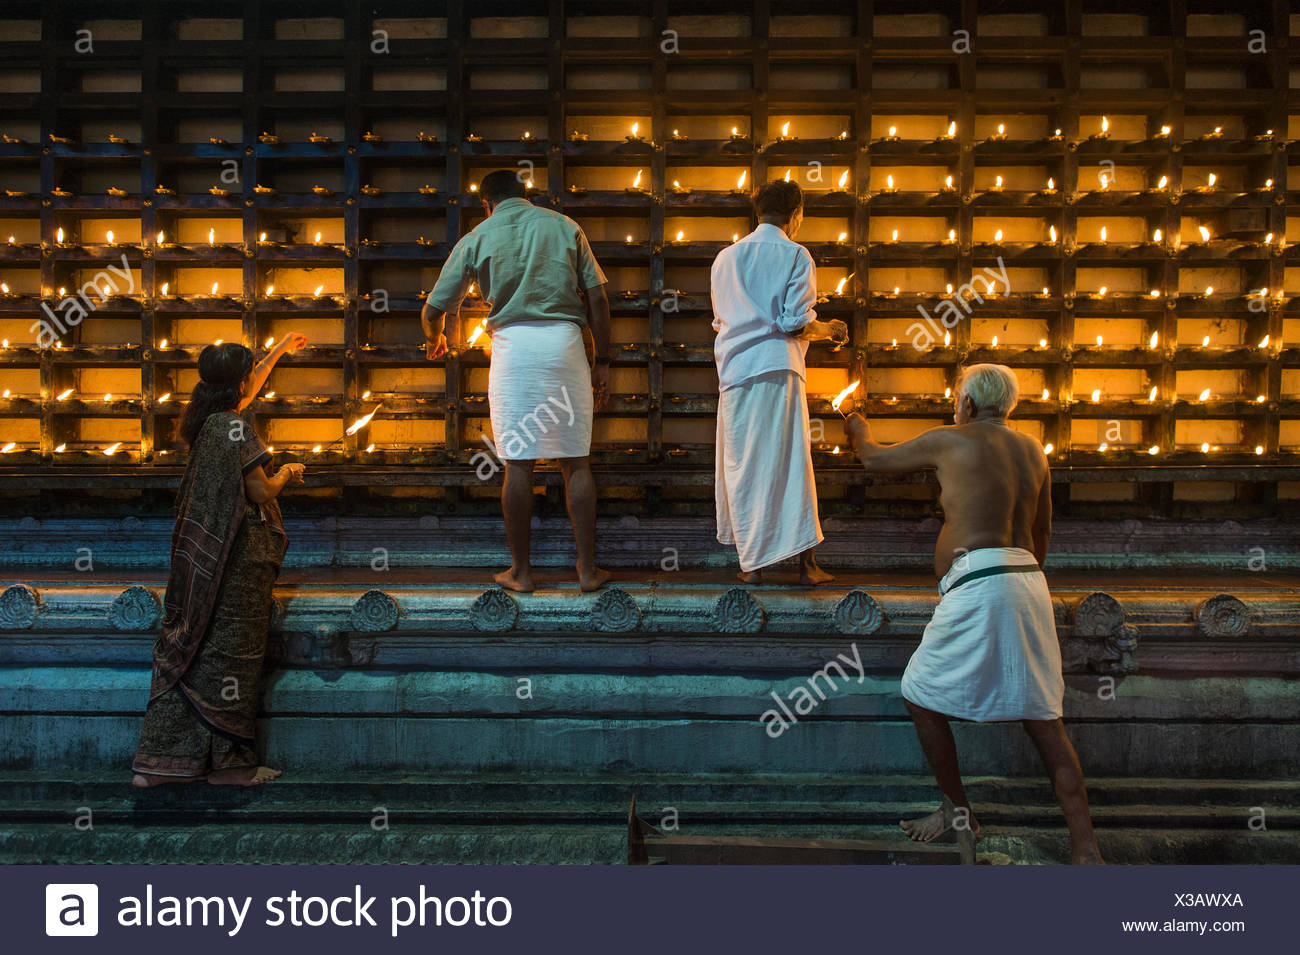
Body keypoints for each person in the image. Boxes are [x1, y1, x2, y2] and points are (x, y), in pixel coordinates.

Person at [845, 363, 1104, 864]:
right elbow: (1044, 530)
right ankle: (1087, 849)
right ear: (1007, 406)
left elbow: (874, 461)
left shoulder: (948, 439)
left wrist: (858, 428)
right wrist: (1013, 580)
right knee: (1045, 720)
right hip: (1029, 582)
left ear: (964, 403)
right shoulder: (1034, 450)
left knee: (919, 694)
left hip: (976, 583)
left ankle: (957, 812)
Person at [422, 169, 612, 593]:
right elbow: (597, 297)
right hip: (565, 344)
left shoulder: (477, 236)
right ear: (526, 195)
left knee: (517, 463)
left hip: (514, 350)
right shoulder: (565, 226)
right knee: (576, 461)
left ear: (487, 203)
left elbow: (433, 310)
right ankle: (586, 571)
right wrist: (603, 361)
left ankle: (521, 572)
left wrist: (435, 340)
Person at [131, 334, 308, 788]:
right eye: (252, 372)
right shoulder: (234, 428)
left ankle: (160, 763)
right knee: (234, 656)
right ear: (240, 383)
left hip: (208, 560)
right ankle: (232, 767)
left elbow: (249, 385)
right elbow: (260, 492)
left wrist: (282, 347)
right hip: (238, 561)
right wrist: (288, 471)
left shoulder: (209, 421)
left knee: (195, 652)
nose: (255, 380)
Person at [710, 180, 846, 585]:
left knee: (743, 464)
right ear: (797, 213)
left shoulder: (725, 258)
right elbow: (794, 321)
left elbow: (720, 321)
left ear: (757, 212)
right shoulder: (796, 254)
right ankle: (806, 567)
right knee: (790, 463)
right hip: (777, 368)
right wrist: (830, 330)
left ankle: (750, 565)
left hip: (734, 370)